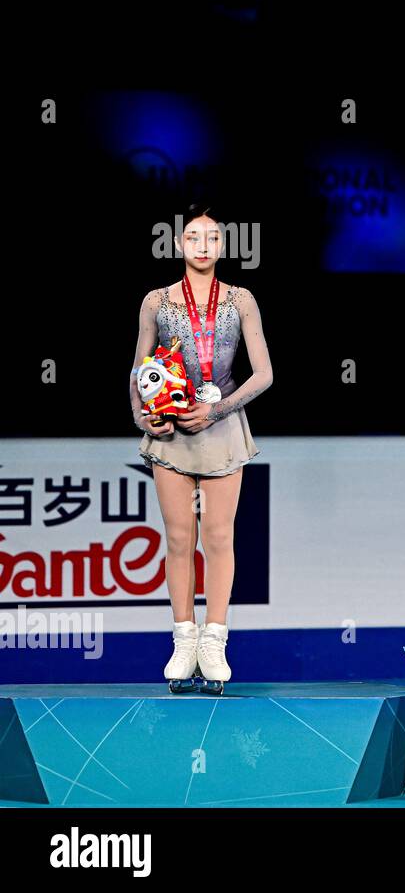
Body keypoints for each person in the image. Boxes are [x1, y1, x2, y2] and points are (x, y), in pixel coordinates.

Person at [129, 204, 273, 693]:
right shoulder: (157, 301)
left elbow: (265, 373)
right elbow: (139, 369)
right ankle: (182, 640)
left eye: (212, 238)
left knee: (217, 538)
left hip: (221, 427)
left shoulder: (241, 300)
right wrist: (142, 414)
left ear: (223, 246)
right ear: (178, 244)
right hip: (171, 432)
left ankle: (215, 641)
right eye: (193, 237)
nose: (203, 246)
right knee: (177, 539)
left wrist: (217, 409)